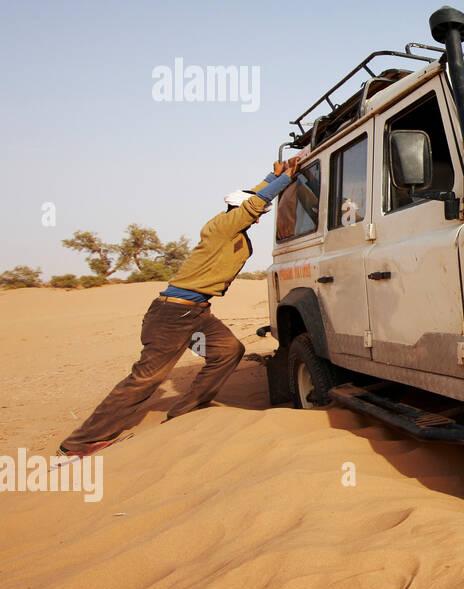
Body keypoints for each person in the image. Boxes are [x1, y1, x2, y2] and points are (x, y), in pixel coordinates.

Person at [58, 158, 302, 457]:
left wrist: (270, 176)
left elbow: (250, 198)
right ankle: (79, 443)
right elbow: (254, 203)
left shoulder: (231, 226)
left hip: (196, 313)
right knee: (146, 378)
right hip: (173, 315)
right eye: (256, 212)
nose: (260, 216)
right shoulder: (223, 227)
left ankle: (188, 409)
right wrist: (286, 179)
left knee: (227, 351)